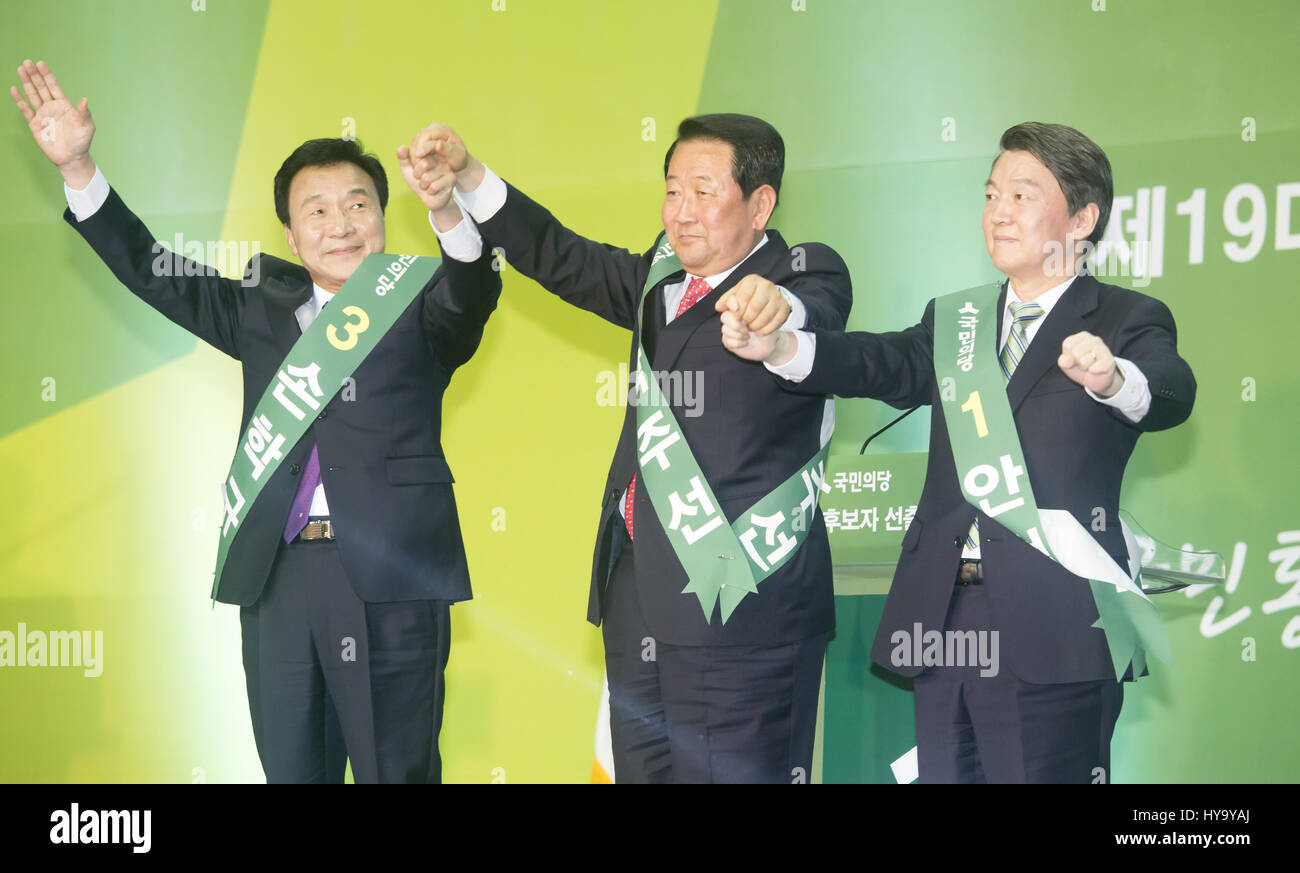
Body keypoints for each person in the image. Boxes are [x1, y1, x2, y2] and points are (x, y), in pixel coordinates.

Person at [11, 59, 502, 783]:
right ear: (290, 231)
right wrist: (80, 165)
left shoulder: (420, 299)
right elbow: (152, 269)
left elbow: (472, 290)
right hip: (278, 579)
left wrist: (449, 213)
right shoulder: (256, 302)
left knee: (396, 772)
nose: (342, 224)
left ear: (383, 215)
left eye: (359, 204)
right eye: (319, 211)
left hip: (392, 580)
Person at [722, 122, 1196, 783]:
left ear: (1083, 217)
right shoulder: (957, 319)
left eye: (1023, 196)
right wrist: (784, 348)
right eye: (991, 193)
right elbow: (880, 361)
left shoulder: (1122, 317)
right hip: (944, 615)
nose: (999, 212)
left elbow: (1173, 390)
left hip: (1058, 621)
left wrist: (1117, 377)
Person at [407, 114, 852, 782]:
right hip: (637, 590)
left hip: (742, 600)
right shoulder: (657, 281)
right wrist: (470, 177)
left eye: (704, 191)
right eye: (672, 190)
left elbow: (811, 306)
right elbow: (559, 252)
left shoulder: (802, 268)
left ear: (760, 204)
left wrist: (776, 307)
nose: (682, 211)